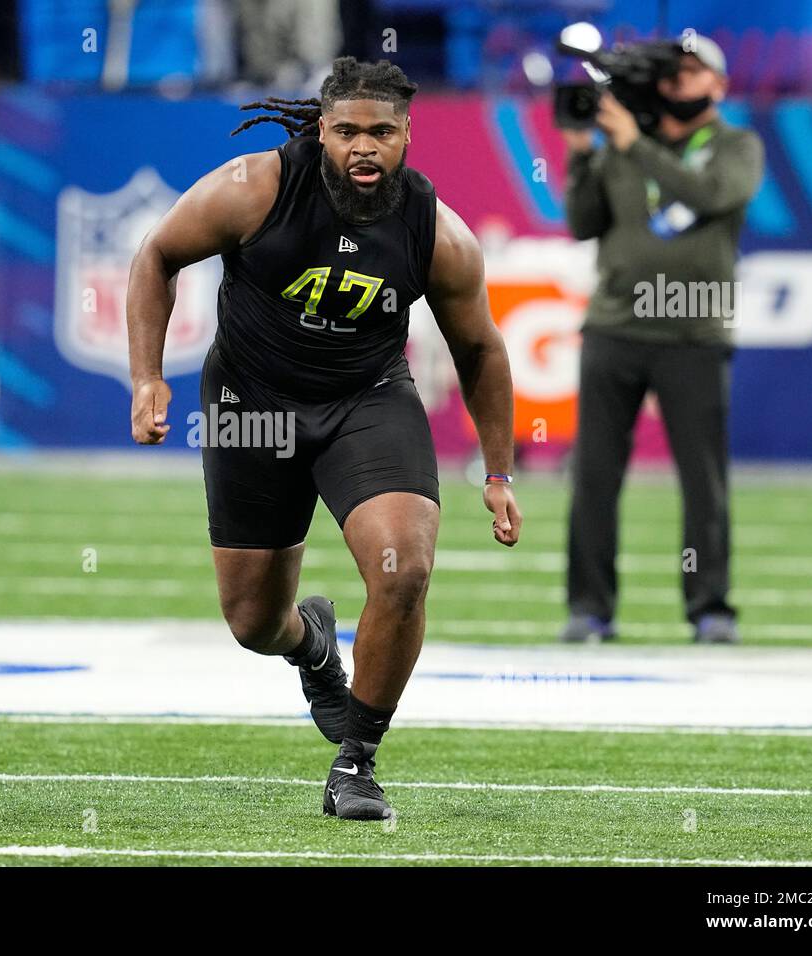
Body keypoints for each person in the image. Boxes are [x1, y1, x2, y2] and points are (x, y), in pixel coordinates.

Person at [127, 57, 521, 820]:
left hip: (365, 400)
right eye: (347, 131)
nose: (363, 147)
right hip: (253, 400)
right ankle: (310, 643)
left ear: (408, 135)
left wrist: (497, 470)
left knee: (403, 570)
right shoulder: (254, 187)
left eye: (381, 131)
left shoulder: (438, 234)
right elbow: (157, 256)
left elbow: (481, 349)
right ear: (322, 129)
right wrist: (148, 376)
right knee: (251, 623)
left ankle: (358, 761)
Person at [560, 36, 763, 644]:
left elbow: (710, 196)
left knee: (704, 481)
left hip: (694, 333)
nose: (679, 80)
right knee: (594, 476)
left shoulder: (736, 145)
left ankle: (710, 608)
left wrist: (634, 145)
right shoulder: (623, 146)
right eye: (673, 71)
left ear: (719, 87)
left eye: (695, 71)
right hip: (614, 328)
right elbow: (580, 224)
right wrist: (579, 154)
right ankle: (590, 609)